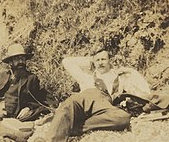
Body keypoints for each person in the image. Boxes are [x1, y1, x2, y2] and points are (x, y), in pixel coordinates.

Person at [39, 47, 169, 142]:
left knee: (122, 117)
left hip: (105, 106)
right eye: (98, 60)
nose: (101, 62)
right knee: (70, 104)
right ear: (93, 63)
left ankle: (76, 128)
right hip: (88, 97)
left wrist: (129, 70)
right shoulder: (87, 77)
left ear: (109, 61)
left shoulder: (120, 76)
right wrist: (91, 59)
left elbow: (143, 90)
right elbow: (67, 62)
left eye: (104, 59)